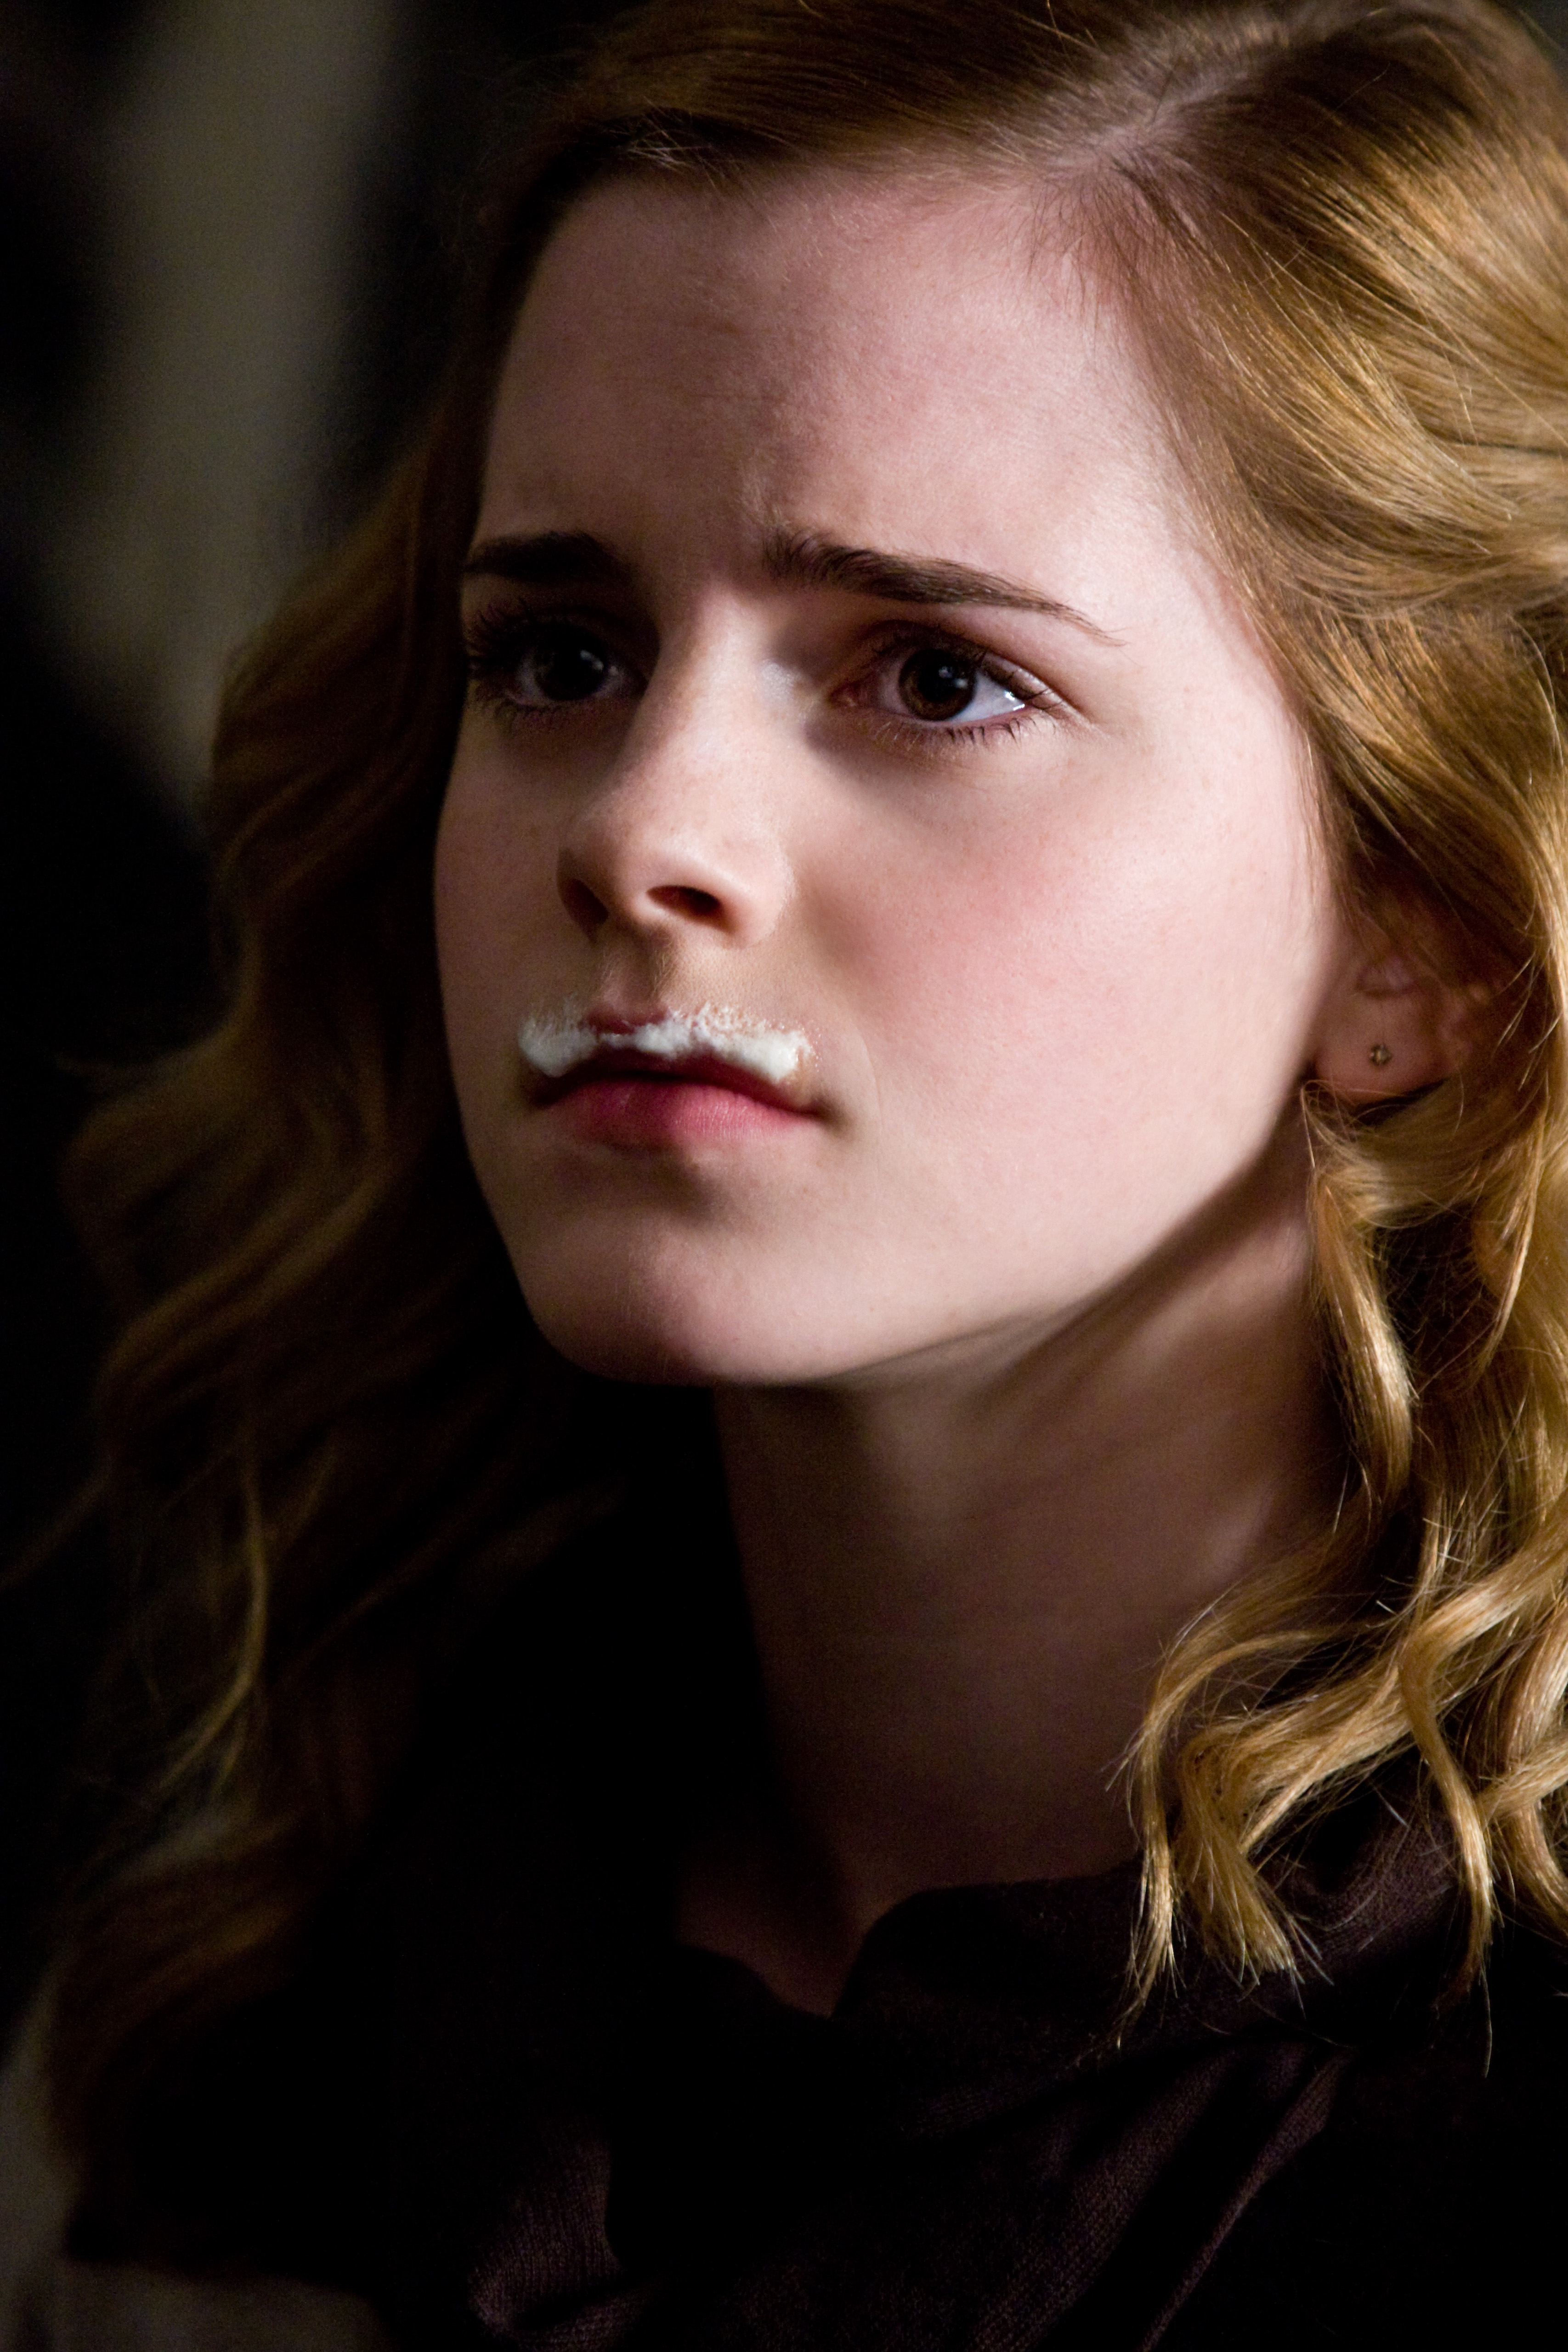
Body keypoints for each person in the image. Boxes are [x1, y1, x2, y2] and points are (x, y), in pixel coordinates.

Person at [9, 0, 1568, 2342]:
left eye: (931, 677)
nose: (641, 827)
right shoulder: (262, 2015)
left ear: (1417, 929)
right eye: (560, 655)